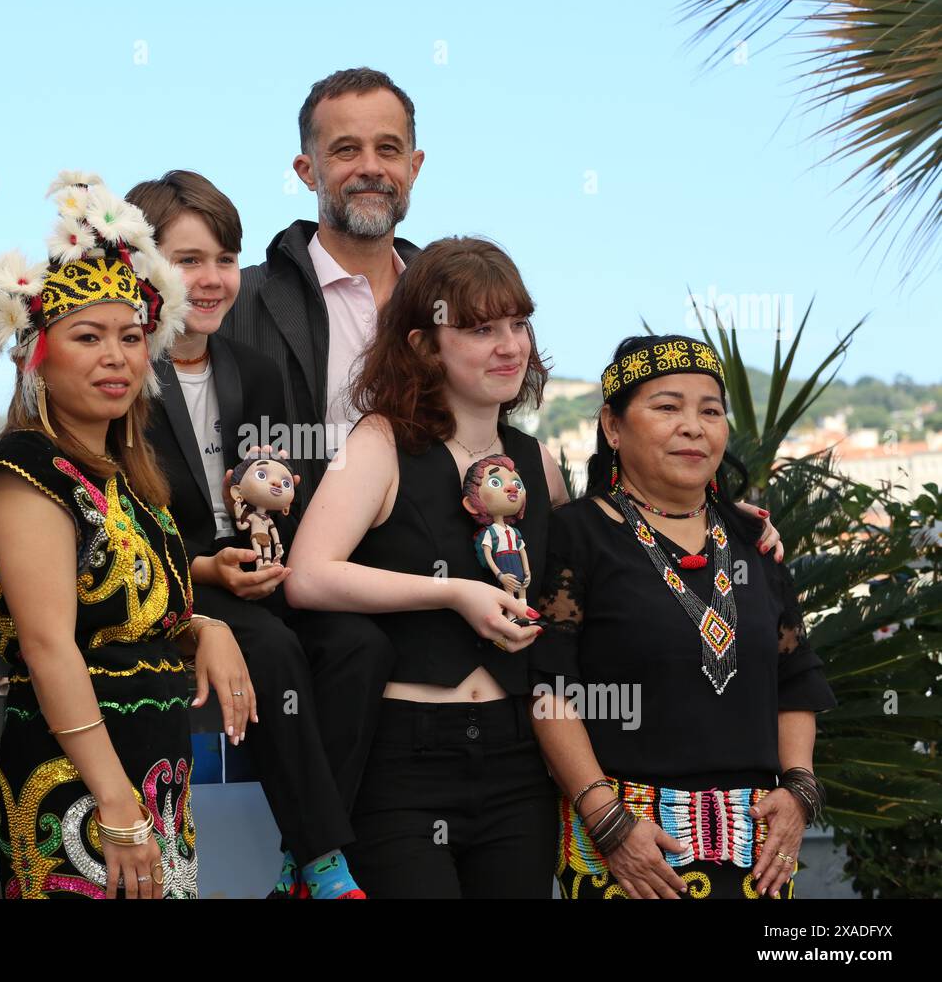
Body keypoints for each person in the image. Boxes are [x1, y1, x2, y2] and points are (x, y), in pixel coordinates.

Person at [0, 170, 255, 899]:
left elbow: (139, 615)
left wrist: (204, 629)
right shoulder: (26, 470)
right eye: (87, 337)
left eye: (130, 337)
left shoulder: (130, 483)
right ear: (37, 354)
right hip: (78, 787)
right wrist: (117, 806)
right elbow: (48, 643)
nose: (116, 356)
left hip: (154, 780)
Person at [286, 237, 565, 897]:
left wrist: (737, 523)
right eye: (478, 329)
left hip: (519, 761)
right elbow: (308, 574)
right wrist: (453, 594)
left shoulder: (541, 464)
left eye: (517, 323)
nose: (509, 346)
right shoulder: (379, 442)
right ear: (421, 345)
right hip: (403, 763)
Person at [531, 335, 836, 900]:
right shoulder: (576, 535)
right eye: (667, 406)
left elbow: (795, 682)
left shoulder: (752, 542)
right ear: (613, 427)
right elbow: (550, 690)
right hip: (629, 856)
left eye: (710, 411)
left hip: (757, 861)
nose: (693, 426)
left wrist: (799, 792)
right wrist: (608, 821)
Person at [130, 170, 364, 897]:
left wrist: (272, 543)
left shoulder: (254, 372)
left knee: (362, 647)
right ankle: (326, 862)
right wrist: (206, 571)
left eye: (225, 261)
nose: (211, 280)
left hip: (256, 577)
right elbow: (122, 523)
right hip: (177, 589)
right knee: (273, 647)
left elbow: (270, 483)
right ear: (140, 264)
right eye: (188, 260)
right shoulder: (120, 373)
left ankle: (299, 856)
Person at [218, 67, 425, 852]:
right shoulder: (236, 301)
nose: (369, 165)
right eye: (345, 149)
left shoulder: (450, 307)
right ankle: (314, 865)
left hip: (421, 586)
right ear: (307, 170)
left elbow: (502, 443)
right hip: (286, 591)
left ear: (414, 165)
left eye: (387, 147)